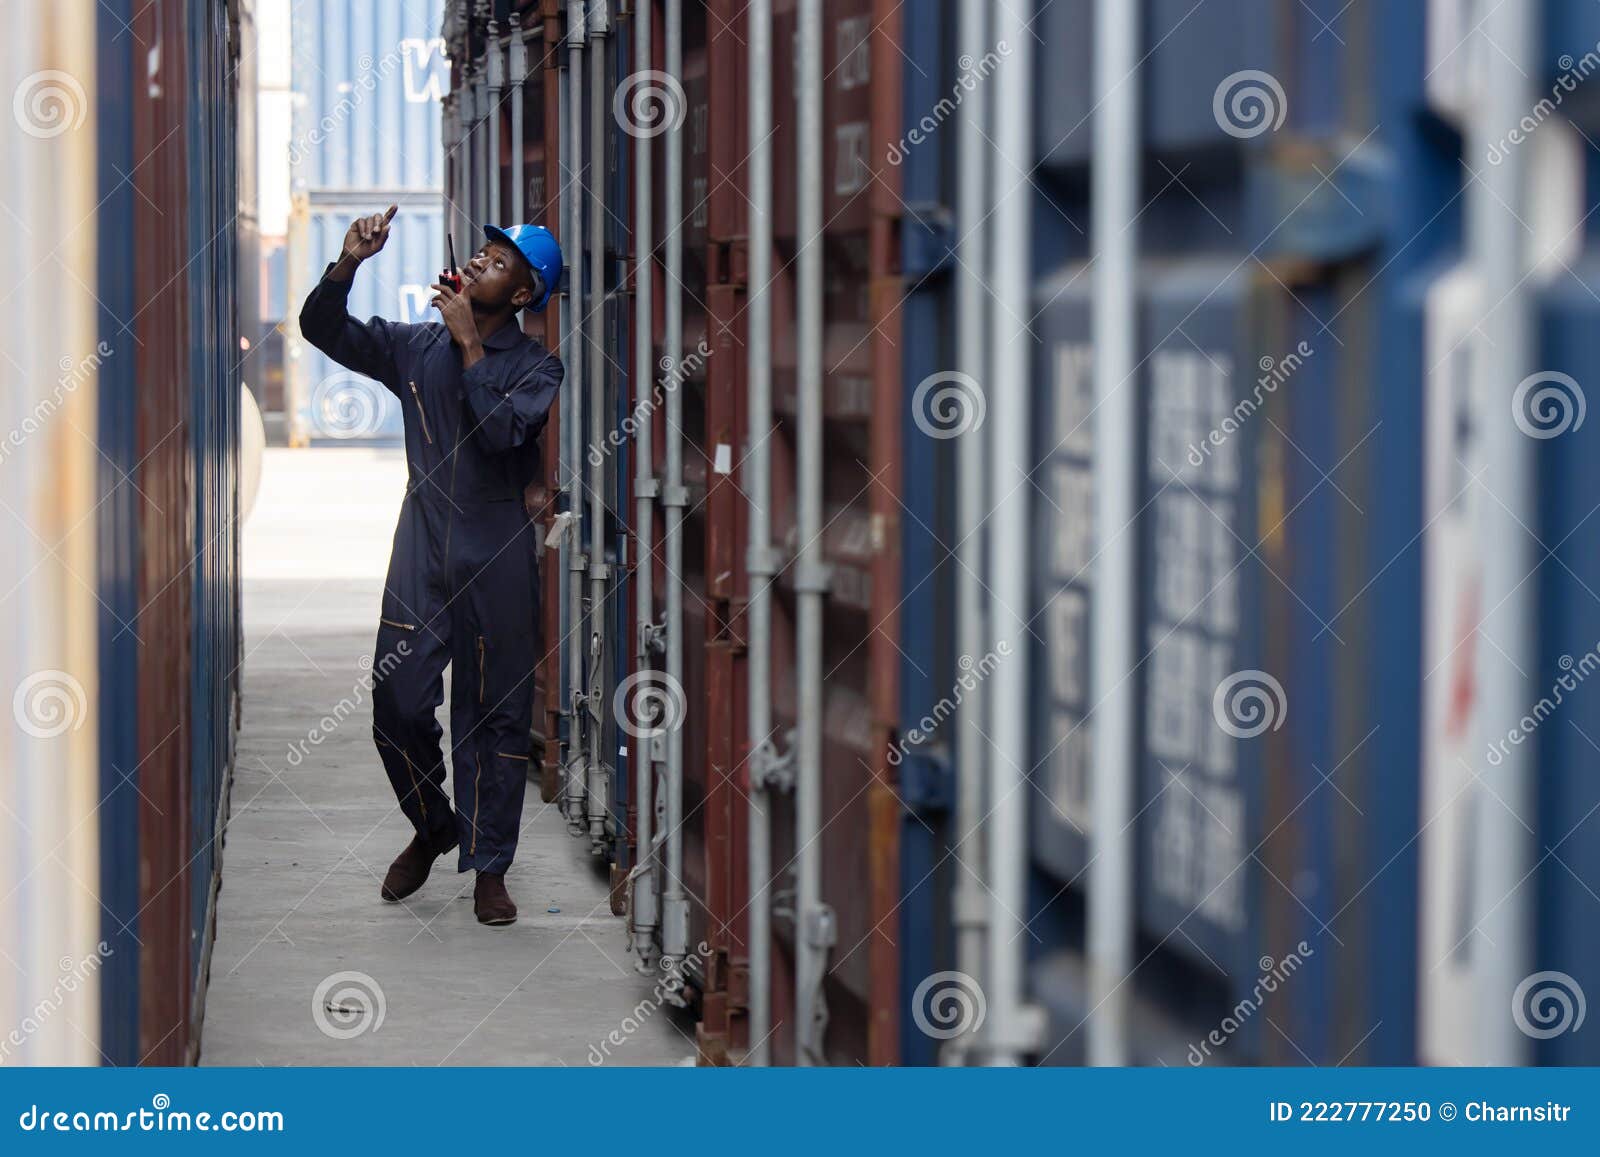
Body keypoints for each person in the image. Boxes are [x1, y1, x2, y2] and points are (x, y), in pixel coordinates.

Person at [298, 205, 565, 926]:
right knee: (399, 704)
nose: (482, 259)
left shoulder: (538, 365)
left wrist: (471, 346)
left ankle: (488, 868)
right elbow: (324, 330)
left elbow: (505, 429)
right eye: (481, 250)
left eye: (500, 260)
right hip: (423, 547)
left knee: (497, 717)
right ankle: (433, 822)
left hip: (497, 550)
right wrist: (350, 261)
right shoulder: (416, 348)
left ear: (520, 295)